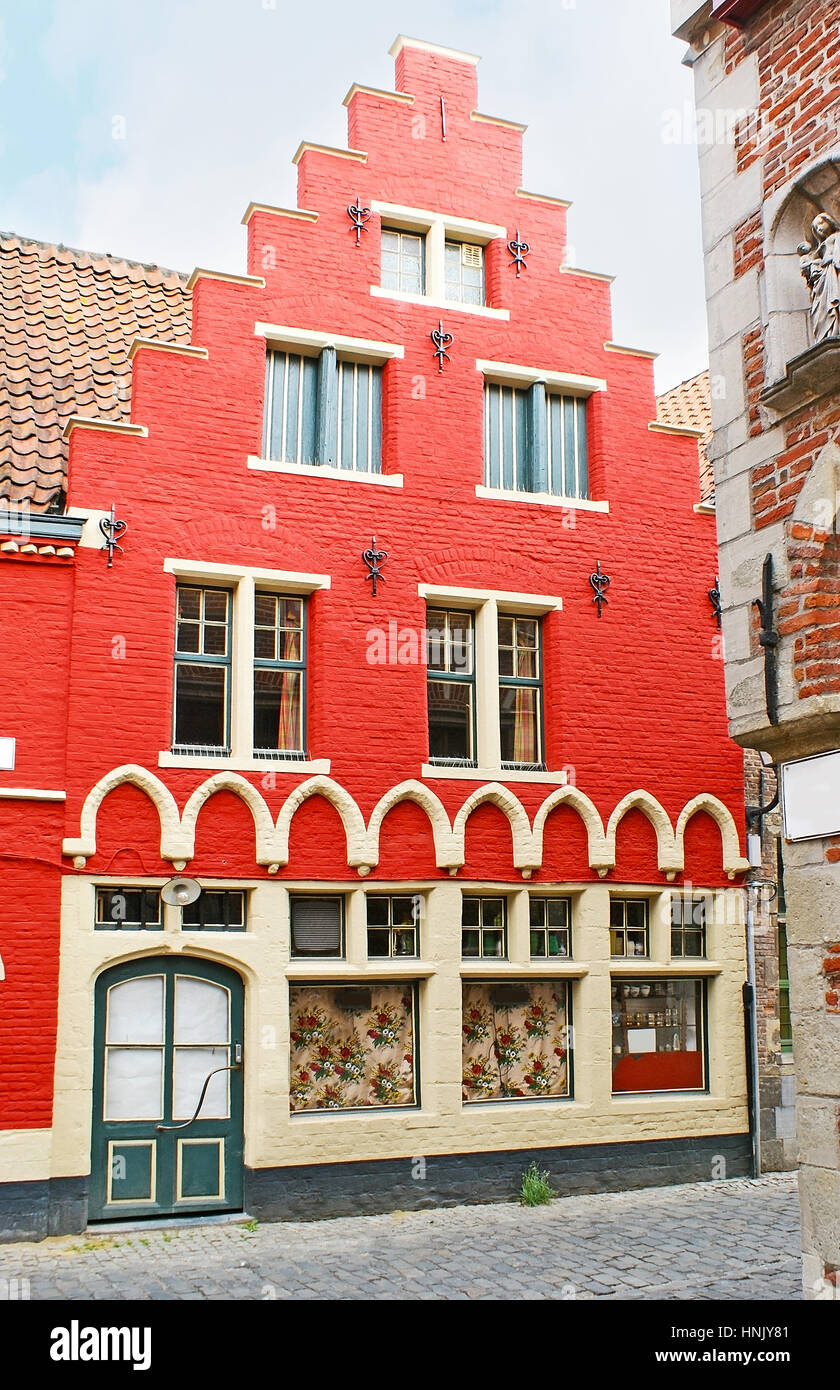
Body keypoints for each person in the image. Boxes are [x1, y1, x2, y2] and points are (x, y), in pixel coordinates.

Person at [801, 213, 840, 343]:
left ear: (829, 222)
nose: (819, 228)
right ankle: (827, 332)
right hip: (824, 276)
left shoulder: (836, 237)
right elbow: (815, 260)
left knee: (833, 299)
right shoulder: (820, 247)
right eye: (816, 227)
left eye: (821, 224)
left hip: (832, 272)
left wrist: (834, 261)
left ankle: (835, 327)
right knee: (821, 305)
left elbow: (837, 255)